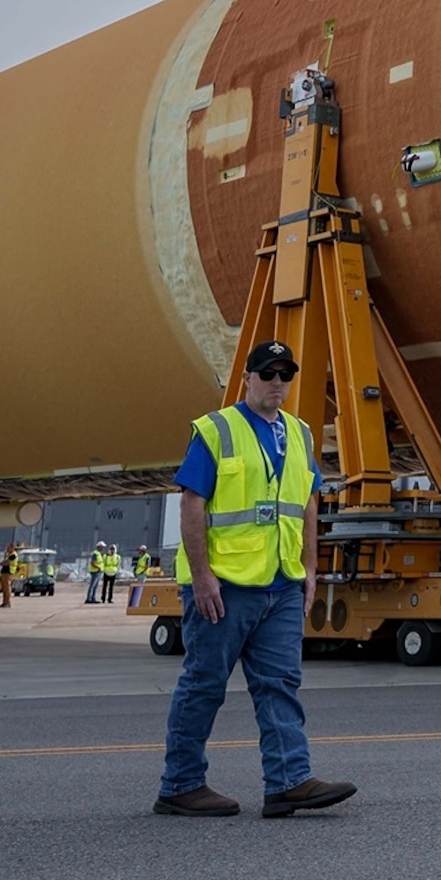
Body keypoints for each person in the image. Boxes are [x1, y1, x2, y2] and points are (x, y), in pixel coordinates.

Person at [154, 340, 355, 820]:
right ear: (247, 378)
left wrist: (310, 568)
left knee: (280, 683)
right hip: (225, 586)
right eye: (267, 374)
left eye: (285, 375)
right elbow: (192, 504)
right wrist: (202, 577)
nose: (277, 383)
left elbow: (308, 503)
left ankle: (289, 781)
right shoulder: (217, 430)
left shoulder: (301, 434)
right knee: (204, 685)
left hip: (282, 584)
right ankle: (180, 785)